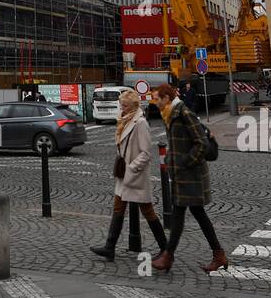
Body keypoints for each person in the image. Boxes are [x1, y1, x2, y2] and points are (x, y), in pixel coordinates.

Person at [150, 83, 226, 274]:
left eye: (157, 98)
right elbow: (176, 144)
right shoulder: (170, 114)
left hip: (190, 175)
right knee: (194, 215)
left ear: (167, 98)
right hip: (183, 176)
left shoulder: (183, 113)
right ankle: (218, 255)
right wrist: (170, 159)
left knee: (180, 216)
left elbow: (201, 144)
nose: (155, 102)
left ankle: (169, 256)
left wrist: (184, 162)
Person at [90, 88, 167, 261]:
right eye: (121, 105)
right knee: (118, 208)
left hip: (134, 175)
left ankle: (165, 249)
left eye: (124, 105)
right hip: (124, 175)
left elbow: (146, 153)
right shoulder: (126, 120)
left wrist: (132, 168)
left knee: (148, 211)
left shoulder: (140, 123)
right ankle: (109, 247)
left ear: (131, 106)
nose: (121, 108)